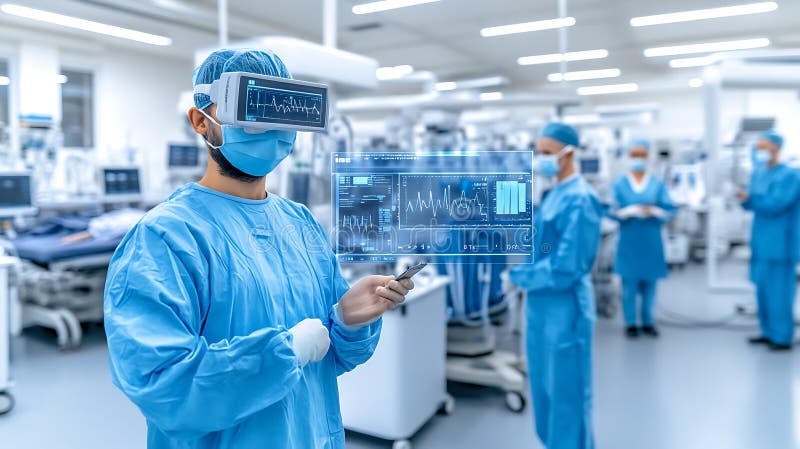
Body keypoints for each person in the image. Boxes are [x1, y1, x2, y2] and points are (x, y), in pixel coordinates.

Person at [103, 49, 414, 449]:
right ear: (201, 121)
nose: (268, 128)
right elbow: (165, 389)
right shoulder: (165, 239)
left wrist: (347, 318)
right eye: (249, 111)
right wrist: (284, 353)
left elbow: (327, 359)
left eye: (279, 112)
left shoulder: (300, 224)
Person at [511, 122, 603, 449]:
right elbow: (546, 247)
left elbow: (567, 268)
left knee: (568, 394)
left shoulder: (581, 199)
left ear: (569, 153)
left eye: (547, 153)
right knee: (545, 390)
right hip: (541, 308)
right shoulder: (553, 195)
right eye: (539, 152)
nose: (541, 159)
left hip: (565, 310)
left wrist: (522, 277)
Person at [738, 130, 800, 351]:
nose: (759, 151)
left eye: (763, 147)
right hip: (760, 239)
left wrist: (751, 199)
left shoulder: (790, 175)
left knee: (780, 292)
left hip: (780, 242)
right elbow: (750, 203)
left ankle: (782, 337)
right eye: (758, 148)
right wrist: (744, 199)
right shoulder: (759, 173)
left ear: (776, 148)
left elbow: (776, 204)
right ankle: (767, 331)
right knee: (762, 289)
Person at [612, 139, 676, 338]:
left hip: (651, 238)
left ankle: (648, 321)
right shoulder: (620, 183)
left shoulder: (656, 183)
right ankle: (631, 323)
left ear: (647, 157)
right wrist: (626, 212)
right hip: (629, 237)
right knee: (628, 283)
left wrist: (655, 210)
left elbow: (670, 208)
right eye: (634, 155)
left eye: (641, 155)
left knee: (650, 282)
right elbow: (609, 209)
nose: (637, 159)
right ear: (628, 157)